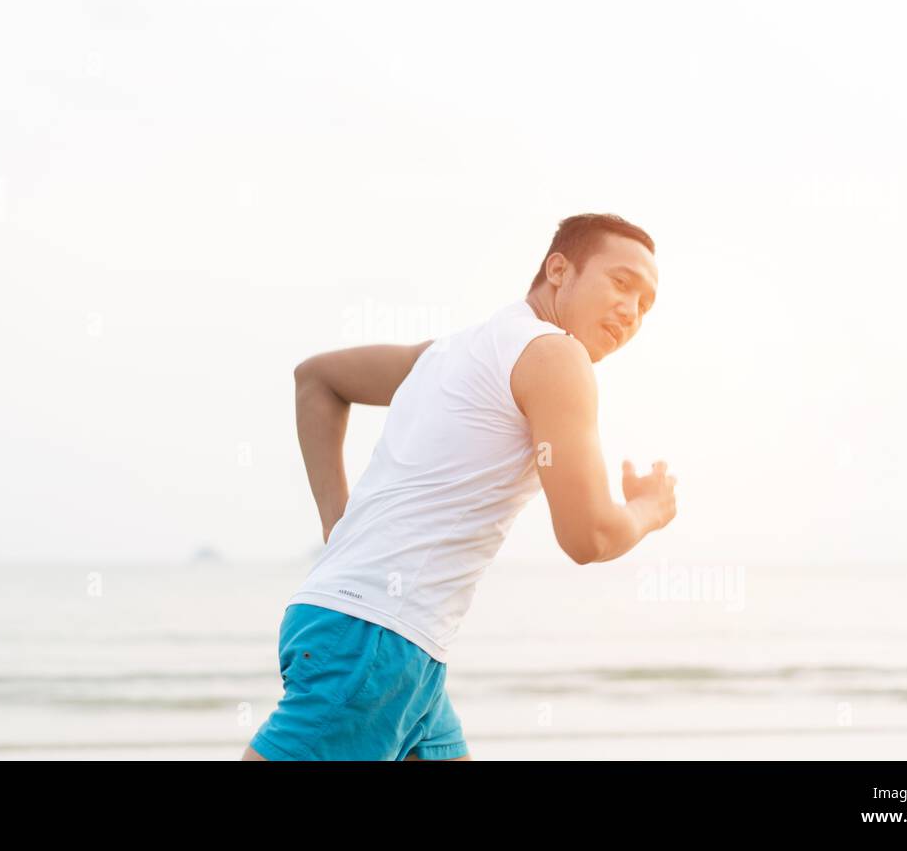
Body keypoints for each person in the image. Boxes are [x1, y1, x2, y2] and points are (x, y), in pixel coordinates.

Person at [242, 213, 679, 761]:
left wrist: (339, 525)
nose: (631, 311)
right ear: (559, 270)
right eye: (621, 283)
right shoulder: (554, 356)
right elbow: (588, 535)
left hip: (394, 640)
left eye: (646, 304)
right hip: (375, 640)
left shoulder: (449, 353)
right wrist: (647, 508)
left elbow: (318, 379)